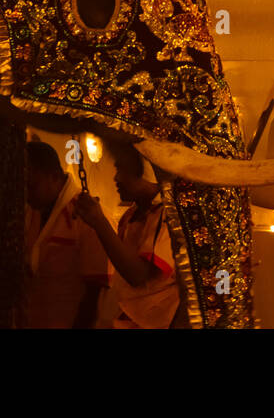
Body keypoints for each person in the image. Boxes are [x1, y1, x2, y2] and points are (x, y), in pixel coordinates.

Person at [73, 142, 183, 329]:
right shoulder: (131, 215)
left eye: (124, 170)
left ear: (148, 175)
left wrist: (99, 223)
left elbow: (137, 276)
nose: (117, 178)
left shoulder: (169, 217)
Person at [23, 140, 108, 328]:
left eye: (32, 186)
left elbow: (95, 290)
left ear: (54, 176)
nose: (27, 195)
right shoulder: (31, 212)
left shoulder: (84, 214)